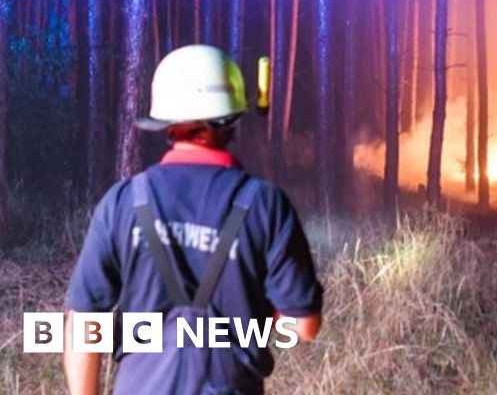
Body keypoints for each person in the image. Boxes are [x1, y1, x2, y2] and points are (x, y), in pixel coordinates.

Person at [63, 44, 323, 395]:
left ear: (166, 123)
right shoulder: (264, 205)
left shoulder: (123, 202)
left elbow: (83, 323)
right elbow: (303, 327)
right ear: (231, 118)